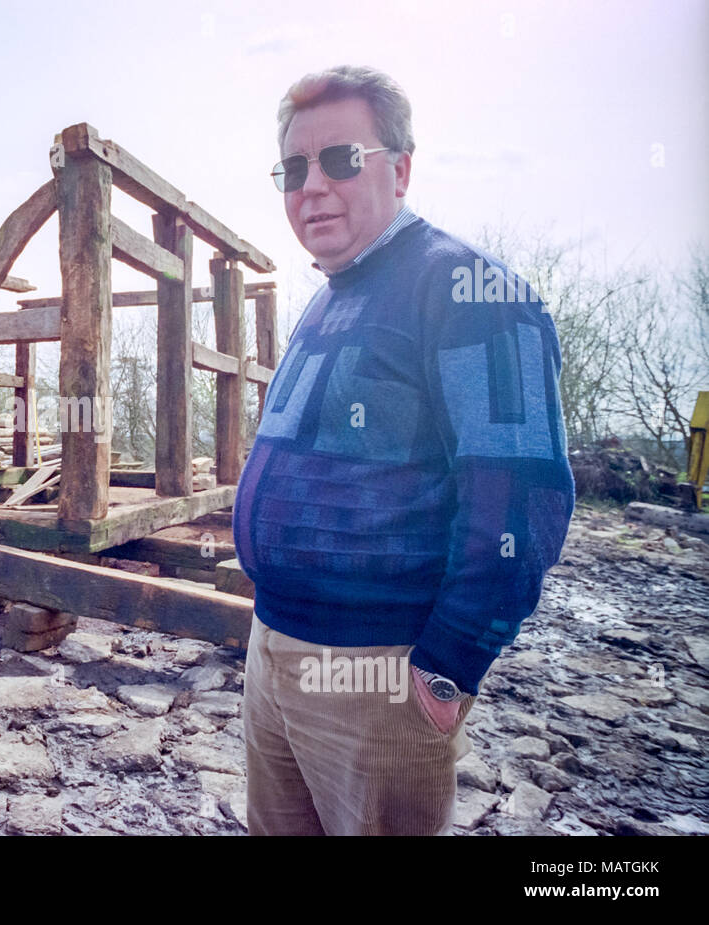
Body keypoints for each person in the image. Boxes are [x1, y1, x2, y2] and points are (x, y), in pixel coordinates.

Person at [233, 65, 575, 836]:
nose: (311, 185)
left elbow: (520, 503)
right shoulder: (325, 300)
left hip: (378, 675)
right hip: (271, 648)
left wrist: (447, 665)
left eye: (340, 159)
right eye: (293, 168)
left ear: (401, 168)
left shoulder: (472, 292)